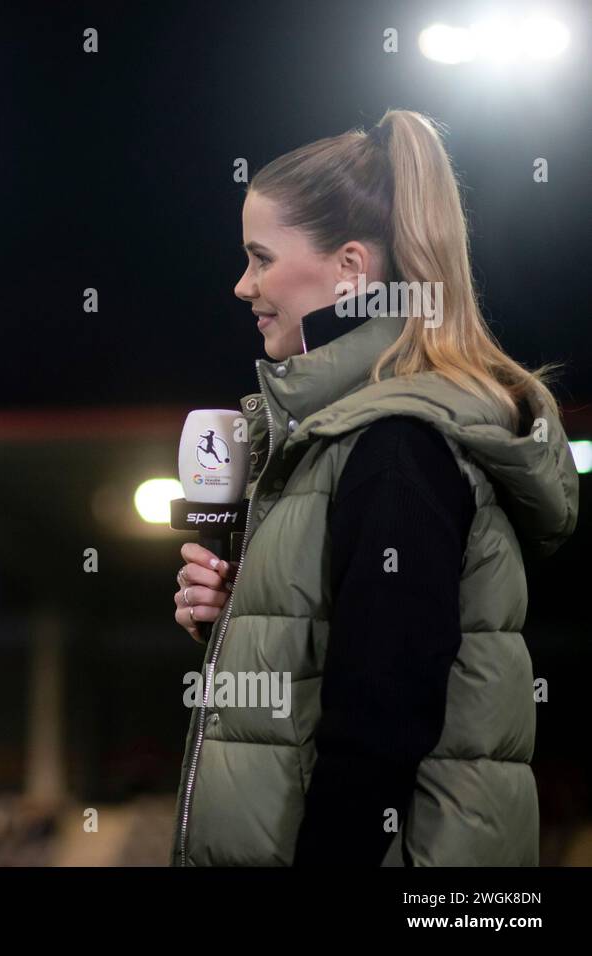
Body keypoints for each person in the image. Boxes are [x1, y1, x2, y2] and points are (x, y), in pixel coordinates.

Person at [170, 110, 578, 866]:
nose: (242, 285)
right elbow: (357, 658)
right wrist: (248, 620)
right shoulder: (352, 433)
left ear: (352, 268)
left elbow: (379, 726)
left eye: (260, 258)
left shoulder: (398, 443)